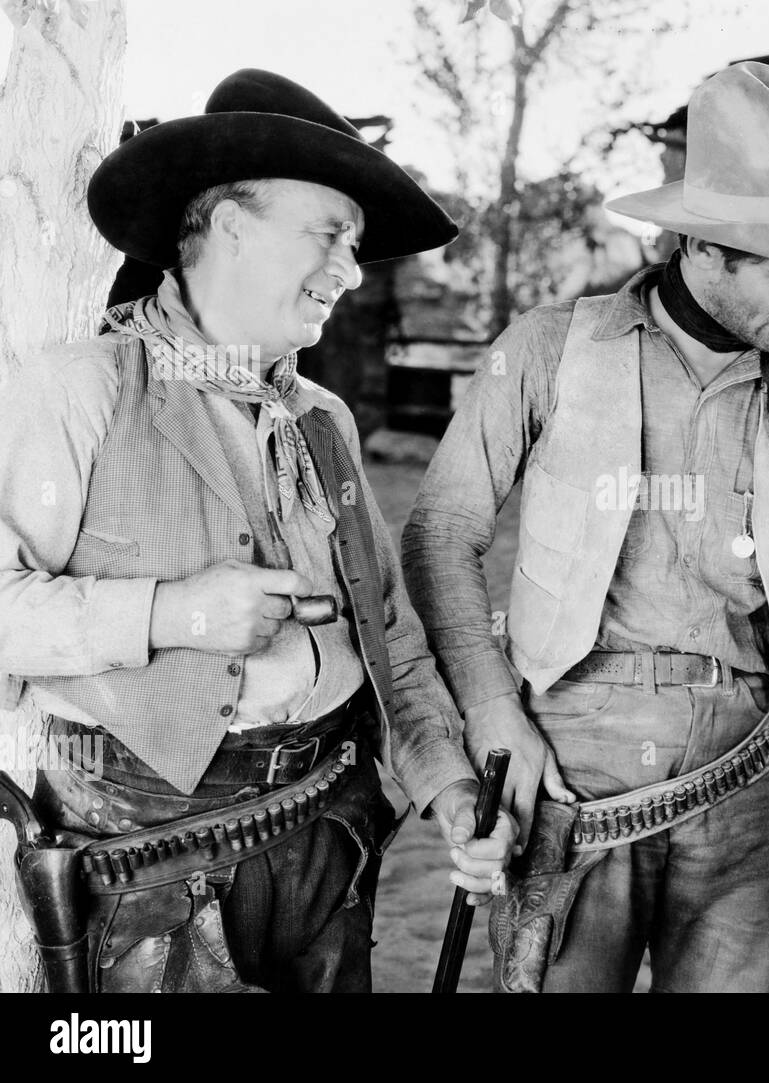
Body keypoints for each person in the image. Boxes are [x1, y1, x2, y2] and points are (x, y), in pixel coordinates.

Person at [402, 61, 769, 992]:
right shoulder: (546, 348)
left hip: (748, 777)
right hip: (567, 769)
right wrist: (492, 717)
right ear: (703, 247)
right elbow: (441, 530)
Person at [0, 69, 513, 993]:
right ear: (229, 226)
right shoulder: (75, 390)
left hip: (330, 833)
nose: (352, 273)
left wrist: (447, 784)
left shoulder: (323, 417)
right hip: (150, 866)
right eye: (329, 236)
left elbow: (386, 634)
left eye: (355, 248)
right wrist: (173, 614)